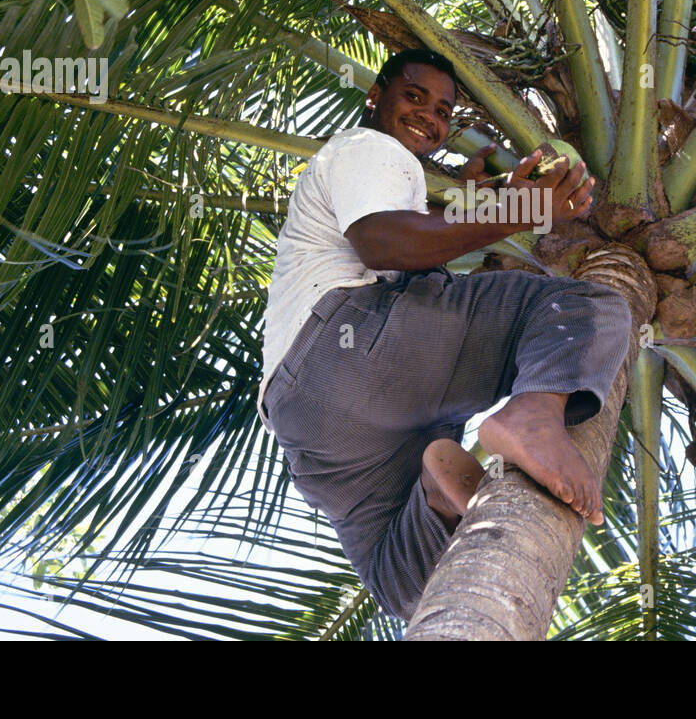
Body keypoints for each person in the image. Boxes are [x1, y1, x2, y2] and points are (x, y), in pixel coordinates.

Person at [257, 48, 634, 619]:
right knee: (585, 303)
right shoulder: (369, 147)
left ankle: (436, 498)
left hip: (309, 413)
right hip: (353, 343)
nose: (430, 117)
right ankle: (534, 413)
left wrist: (487, 195)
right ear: (375, 94)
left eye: (443, 111)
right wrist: (522, 209)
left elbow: (416, 241)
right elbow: (386, 243)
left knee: (401, 586)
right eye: (414, 97)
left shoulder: (382, 173)